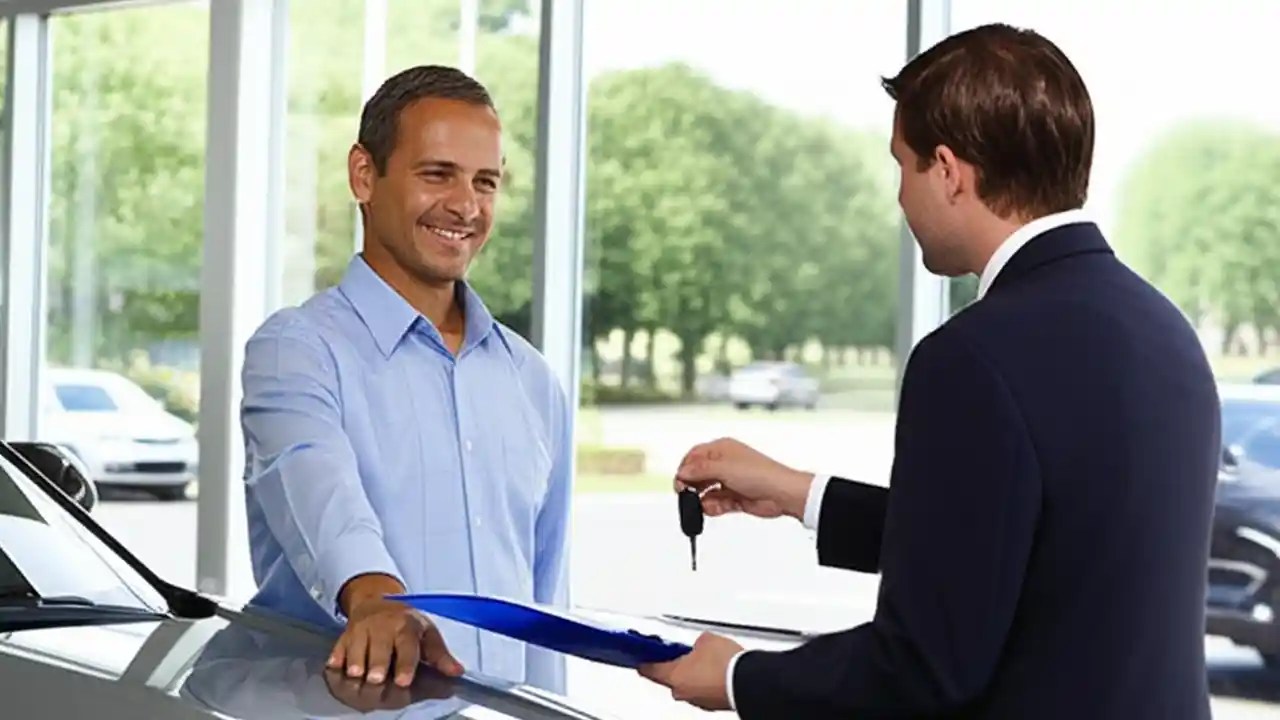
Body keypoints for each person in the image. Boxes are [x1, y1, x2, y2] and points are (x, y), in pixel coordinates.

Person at [639, 23, 1220, 719]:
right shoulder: (1167, 332)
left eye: (903, 167)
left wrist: (739, 676)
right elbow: (1025, 549)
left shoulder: (972, 358)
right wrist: (801, 494)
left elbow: (923, 666)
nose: (899, 198)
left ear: (948, 172)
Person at [239, 65, 572, 695]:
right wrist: (375, 599)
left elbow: (545, 597)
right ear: (364, 175)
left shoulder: (531, 380)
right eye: (437, 174)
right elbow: (321, 496)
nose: (466, 206)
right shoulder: (295, 352)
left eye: (485, 182)